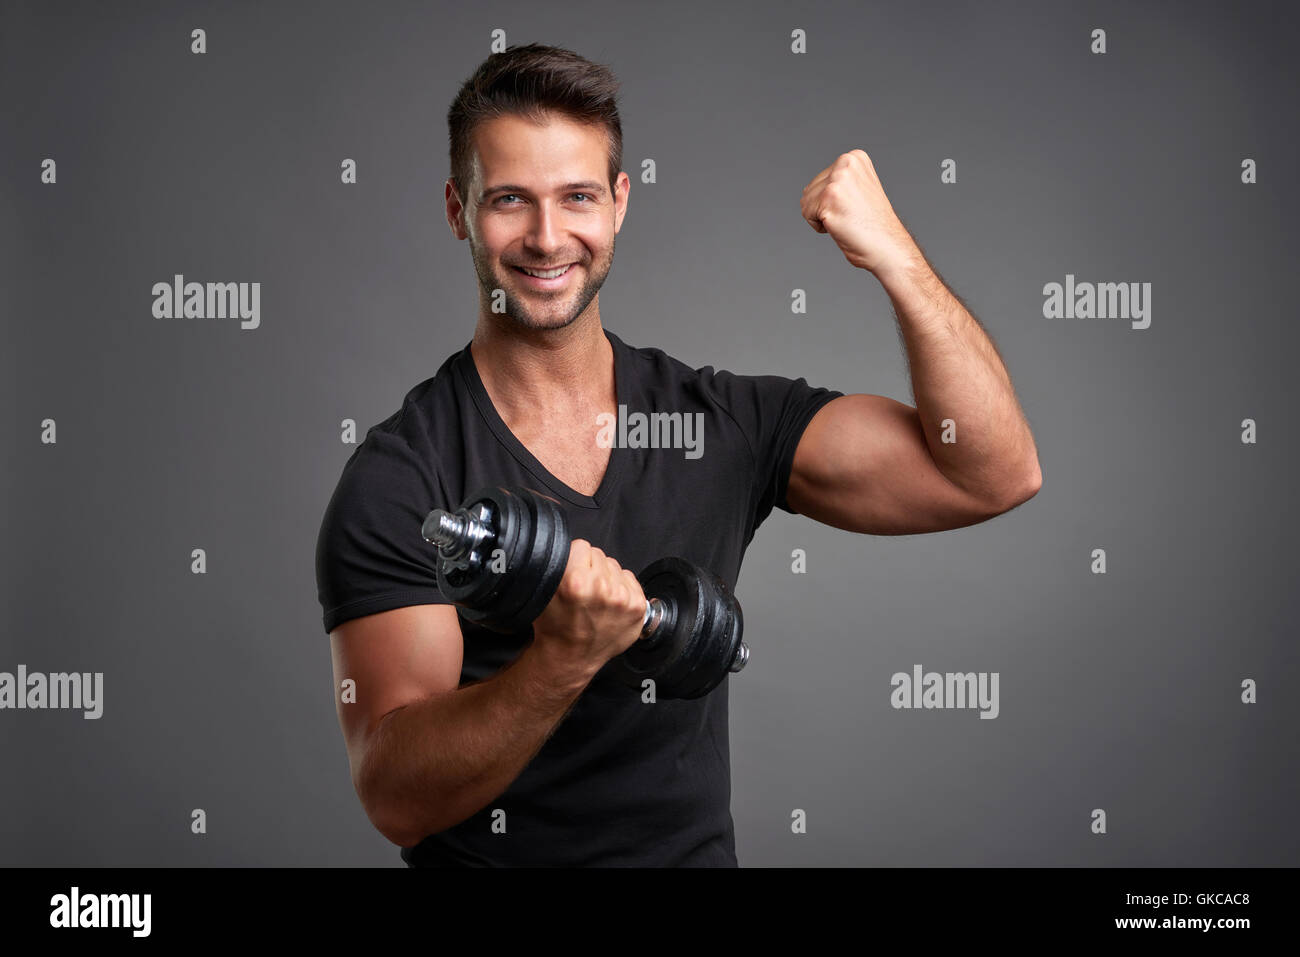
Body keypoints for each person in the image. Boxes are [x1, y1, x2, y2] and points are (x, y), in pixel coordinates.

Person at [314, 43, 1042, 867]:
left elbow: (990, 472)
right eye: (510, 200)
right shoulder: (404, 478)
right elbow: (395, 794)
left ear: (620, 203)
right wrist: (561, 657)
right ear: (458, 209)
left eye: (578, 197)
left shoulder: (721, 424)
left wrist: (897, 258)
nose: (548, 237)